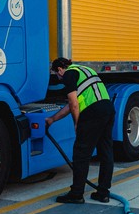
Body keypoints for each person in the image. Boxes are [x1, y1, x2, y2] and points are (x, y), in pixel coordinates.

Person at [45, 57, 114, 204]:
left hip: (93, 113)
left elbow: (73, 104)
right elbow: (71, 105)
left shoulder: (68, 74)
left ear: (59, 69)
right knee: (106, 152)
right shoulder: (85, 70)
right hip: (108, 109)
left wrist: (77, 123)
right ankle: (103, 193)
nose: (58, 78)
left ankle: (76, 194)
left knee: (81, 154)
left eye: (56, 74)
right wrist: (52, 119)